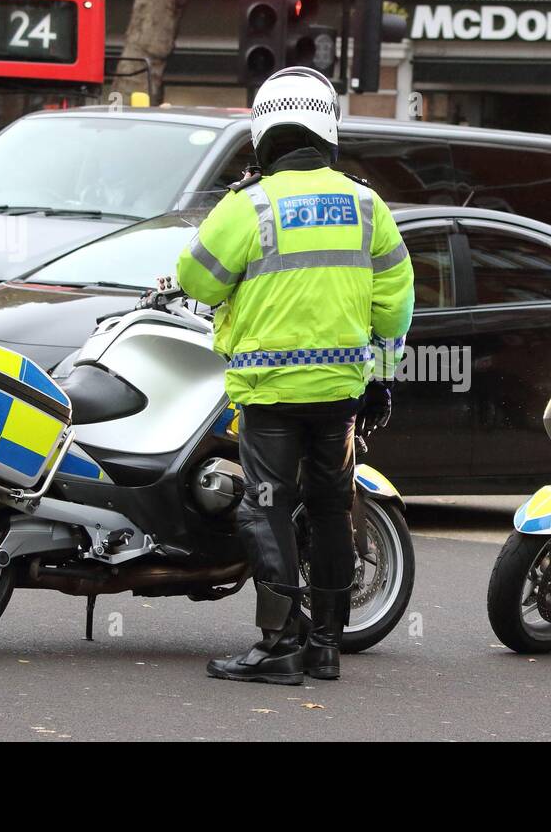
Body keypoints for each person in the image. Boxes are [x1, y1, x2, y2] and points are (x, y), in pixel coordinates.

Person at [175, 67, 415, 685]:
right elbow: (396, 301)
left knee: (265, 509)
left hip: (270, 394)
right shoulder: (367, 204)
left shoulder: (247, 205)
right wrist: (381, 377)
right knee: (333, 509)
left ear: (264, 133)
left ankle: (280, 644)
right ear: (326, 129)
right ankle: (327, 646)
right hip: (340, 394)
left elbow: (196, 279)